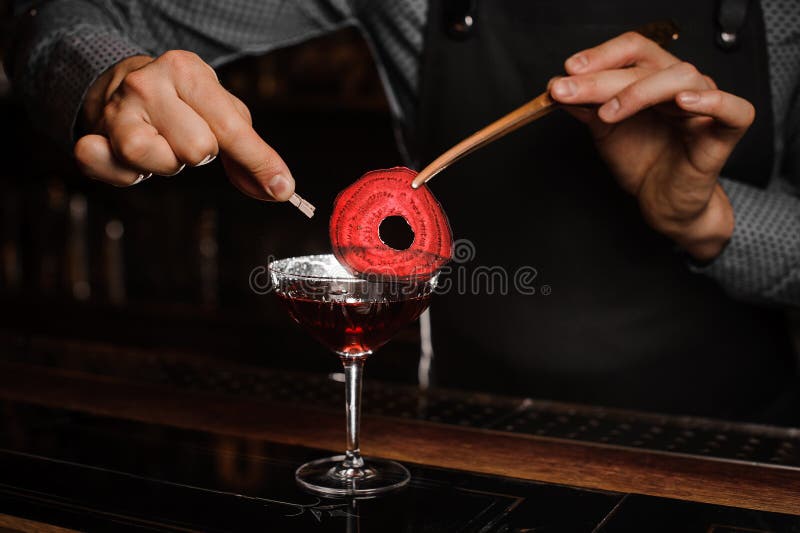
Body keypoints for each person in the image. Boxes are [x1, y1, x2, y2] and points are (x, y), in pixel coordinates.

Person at [7, 0, 800, 420]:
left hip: (744, 449)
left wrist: (706, 217)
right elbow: (49, 17)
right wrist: (114, 78)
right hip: (456, 429)